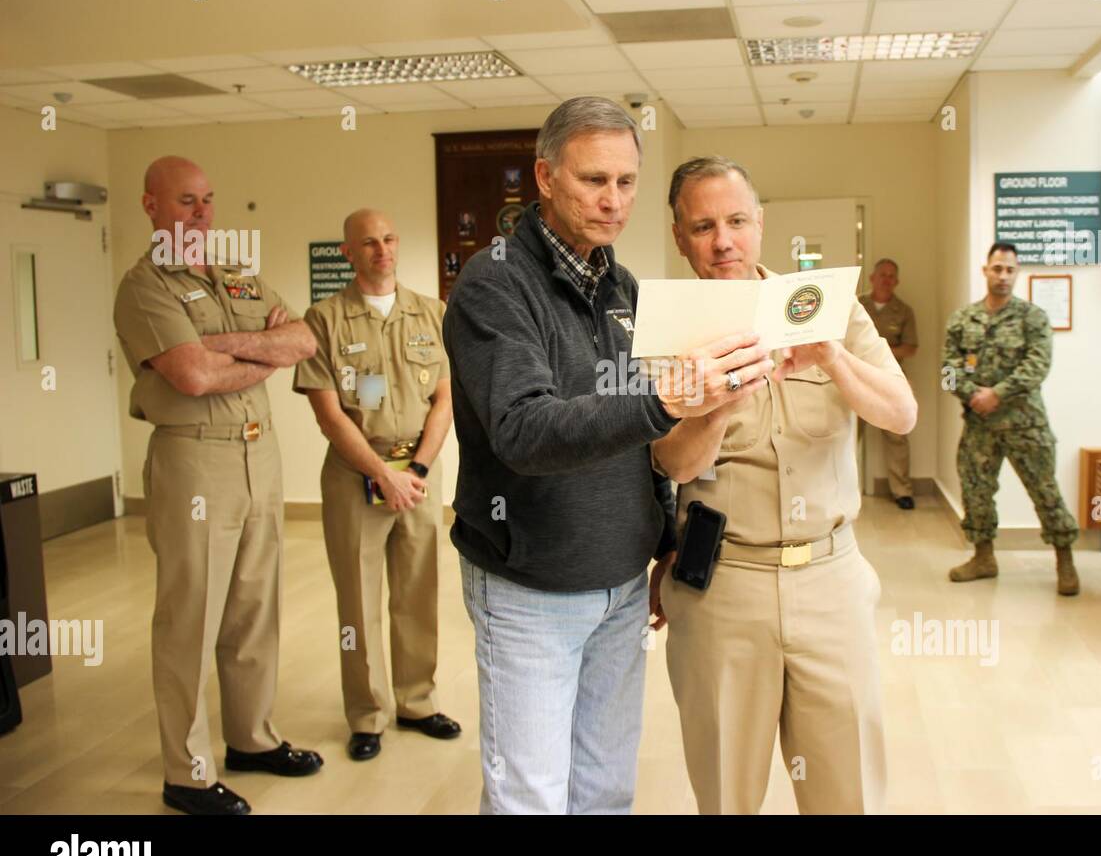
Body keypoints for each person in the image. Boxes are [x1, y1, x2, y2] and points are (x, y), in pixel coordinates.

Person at [442, 98, 771, 814]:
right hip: (530, 588)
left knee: (604, 789)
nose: (613, 200)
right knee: (530, 795)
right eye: (594, 180)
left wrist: (660, 538)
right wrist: (668, 400)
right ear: (545, 177)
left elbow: (644, 452)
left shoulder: (622, 289)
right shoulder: (494, 285)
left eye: (626, 183)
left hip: (621, 587)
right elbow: (525, 432)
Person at [653, 156, 916, 814]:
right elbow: (674, 465)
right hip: (723, 589)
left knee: (846, 789)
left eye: (738, 221)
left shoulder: (828, 307)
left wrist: (830, 354)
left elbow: (901, 412)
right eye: (704, 225)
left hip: (831, 580)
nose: (724, 241)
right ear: (680, 235)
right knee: (726, 792)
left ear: (760, 224)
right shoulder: (664, 329)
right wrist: (718, 404)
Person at [113, 156, 322, 816]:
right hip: (194, 461)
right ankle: (188, 772)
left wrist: (227, 349)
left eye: (207, 200)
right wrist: (254, 351)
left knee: (253, 610)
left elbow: (303, 340)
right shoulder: (145, 286)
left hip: (261, 457)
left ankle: (251, 739)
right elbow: (193, 378)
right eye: (185, 201)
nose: (201, 214)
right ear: (151, 207)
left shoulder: (235, 275)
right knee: (190, 619)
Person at [293, 209, 459, 762]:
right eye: (368, 242)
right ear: (348, 251)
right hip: (354, 478)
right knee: (358, 601)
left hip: (416, 477)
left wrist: (416, 473)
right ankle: (367, 714)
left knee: (417, 593)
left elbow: (444, 400)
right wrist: (381, 474)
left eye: (389, 238)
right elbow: (329, 415)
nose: (382, 250)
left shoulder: (431, 313)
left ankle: (417, 701)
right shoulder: (323, 319)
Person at [943, 242, 1080, 596]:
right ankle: (983, 557)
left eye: (1010, 270)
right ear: (985, 270)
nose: (1003, 276)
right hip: (979, 425)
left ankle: (1065, 560)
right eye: (997, 269)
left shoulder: (1032, 317)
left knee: (1045, 492)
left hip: (1025, 425)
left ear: (1017, 273)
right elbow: (948, 369)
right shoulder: (962, 319)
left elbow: (1037, 365)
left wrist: (997, 394)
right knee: (976, 491)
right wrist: (974, 395)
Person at [857, 257, 919, 508]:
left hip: (888, 380)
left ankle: (902, 490)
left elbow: (911, 347)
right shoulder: (857, 304)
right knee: (846, 433)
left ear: (897, 282)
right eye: (882, 274)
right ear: (872, 278)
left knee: (897, 435)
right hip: (857, 378)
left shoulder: (904, 311)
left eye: (891, 276)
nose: (886, 279)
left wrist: (880, 352)